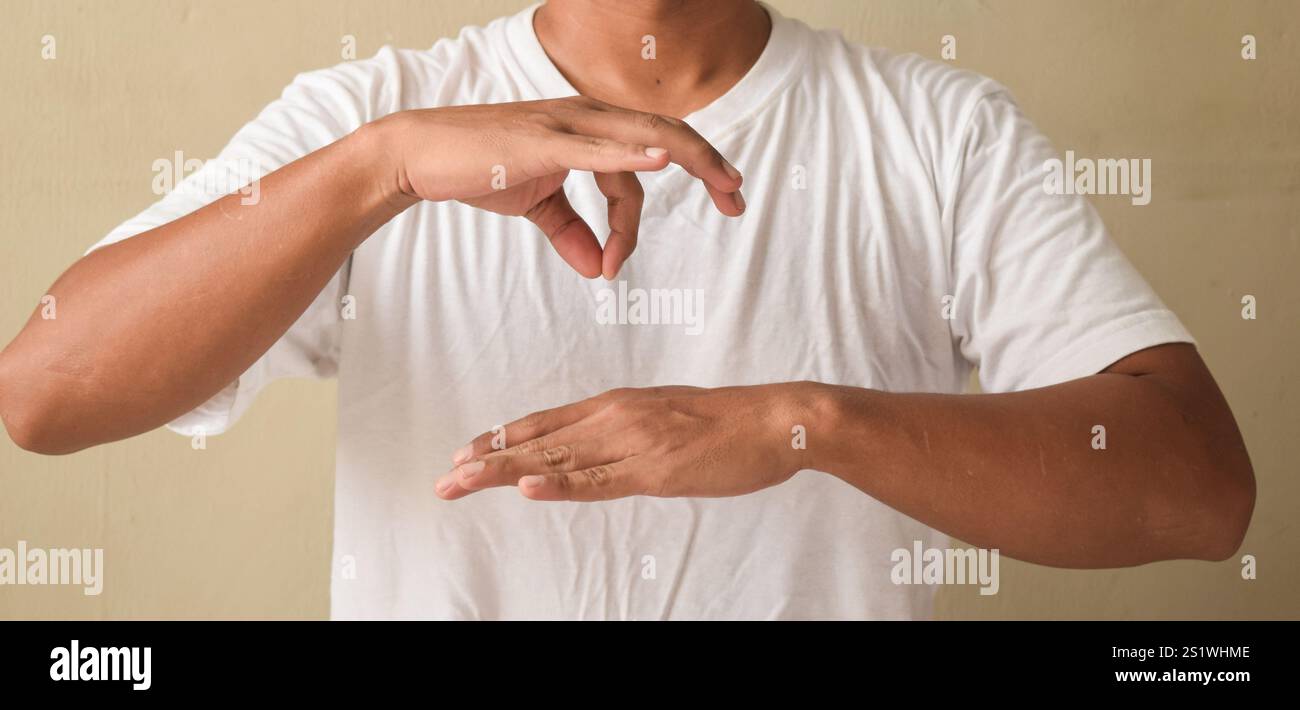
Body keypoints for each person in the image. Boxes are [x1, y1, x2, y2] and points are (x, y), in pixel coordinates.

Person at [0, 0, 1254, 619]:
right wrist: (370, 172)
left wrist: (806, 420)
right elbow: (44, 395)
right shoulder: (375, 116)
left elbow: (1198, 490)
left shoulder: (939, 131)